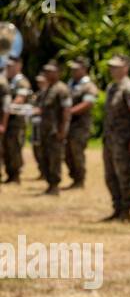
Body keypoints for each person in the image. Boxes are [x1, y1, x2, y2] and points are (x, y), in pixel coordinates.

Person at [100, 55, 130, 222]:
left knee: (125, 174)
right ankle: (117, 208)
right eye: (111, 67)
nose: (113, 70)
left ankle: (126, 210)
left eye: (117, 67)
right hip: (111, 140)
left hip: (124, 140)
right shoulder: (112, 87)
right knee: (111, 175)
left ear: (126, 68)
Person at [63, 58, 98, 190]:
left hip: (81, 126)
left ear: (84, 69)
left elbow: (88, 103)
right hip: (68, 124)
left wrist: (69, 112)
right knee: (67, 153)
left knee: (77, 152)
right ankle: (74, 177)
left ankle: (80, 180)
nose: (73, 71)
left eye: (76, 69)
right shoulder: (71, 83)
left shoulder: (89, 86)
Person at [38, 62, 70, 196]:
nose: (47, 73)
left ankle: (55, 185)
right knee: (45, 157)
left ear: (58, 73)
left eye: (50, 71)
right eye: (45, 71)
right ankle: (49, 184)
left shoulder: (62, 89)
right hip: (45, 130)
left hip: (55, 130)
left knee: (55, 158)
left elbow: (66, 111)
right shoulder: (47, 89)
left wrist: (63, 130)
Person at [2, 57, 31, 183]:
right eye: (7, 66)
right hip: (6, 119)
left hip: (16, 122)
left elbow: (20, 98)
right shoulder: (6, 81)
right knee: (5, 148)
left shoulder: (22, 82)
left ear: (19, 66)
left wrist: (5, 108)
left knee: (14, 148)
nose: (9, 68)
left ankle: (15, 175)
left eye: (11, 66)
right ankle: (9, 174)